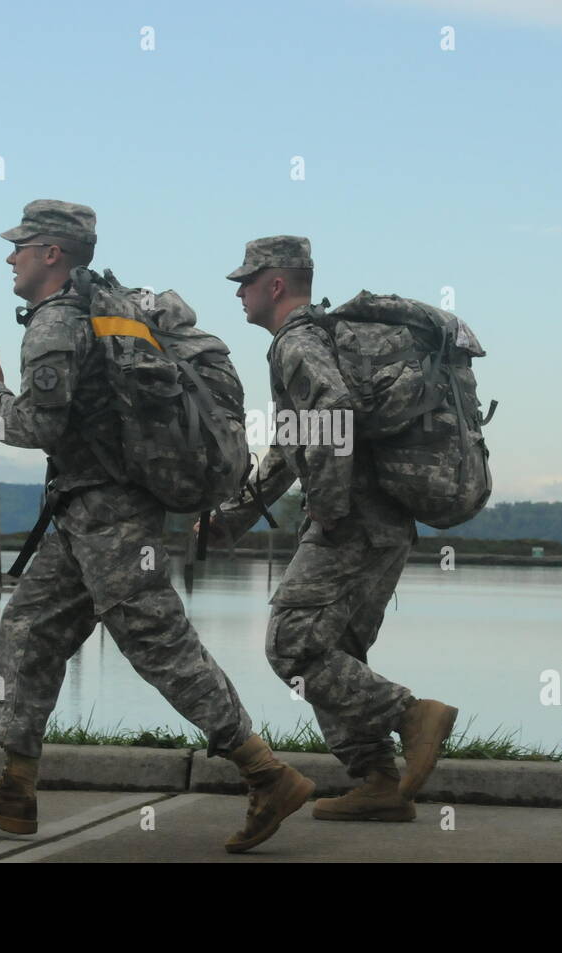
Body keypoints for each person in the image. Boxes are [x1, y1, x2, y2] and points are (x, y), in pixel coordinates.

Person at [0, 201, 314, 853]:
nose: (11, 256)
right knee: (29, 627)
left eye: (21, 245)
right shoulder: (108, 304)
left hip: (108, 517)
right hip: (86, 513)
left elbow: (38, 426)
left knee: (159, 645)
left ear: (53, 253)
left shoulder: (57, 321)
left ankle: (267, 772)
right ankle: (15, 784)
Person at [209, 235, 458, 821]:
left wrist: (325, 504)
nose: (239, 292)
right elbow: (291, 444)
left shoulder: (297, 343)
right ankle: (376, 780)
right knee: (336, 651)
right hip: (385, 521)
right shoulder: (318, 339)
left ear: (276, 285)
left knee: (291, 646)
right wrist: (232, 518)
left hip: (351, 521)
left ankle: (411, 715)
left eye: (246, 281)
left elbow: (332, 409)